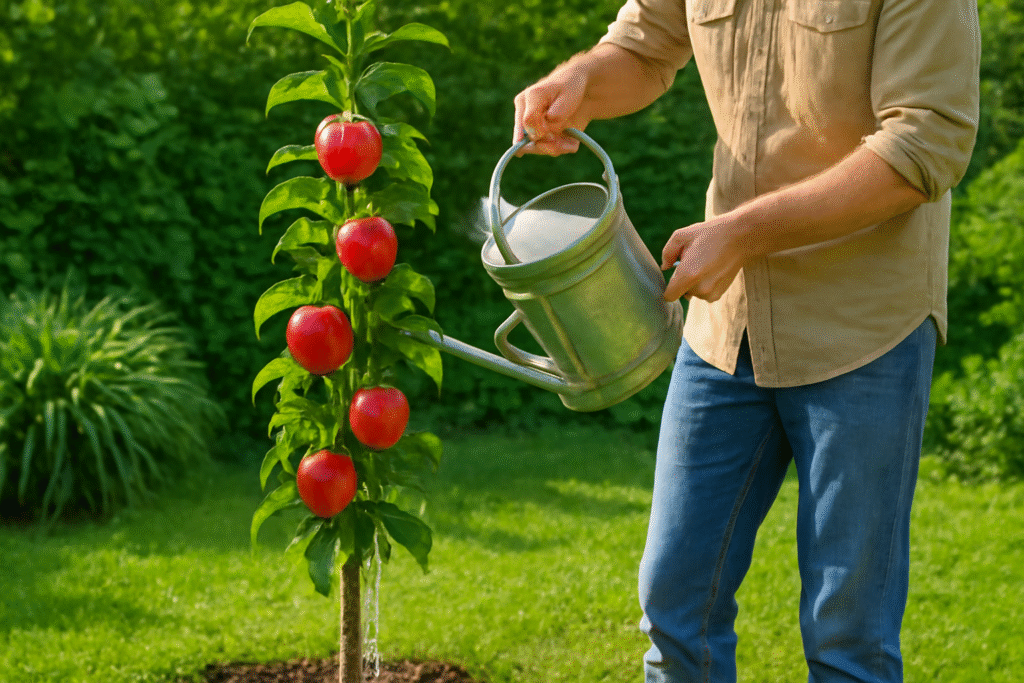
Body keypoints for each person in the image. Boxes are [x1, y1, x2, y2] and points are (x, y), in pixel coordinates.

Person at [513, 1, 980, 682]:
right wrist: (580, 78)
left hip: (864, 329)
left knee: (847, 640)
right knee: (675, 610)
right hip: (726, 326)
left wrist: (743, 232)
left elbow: (925, 143)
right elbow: (644, 47)